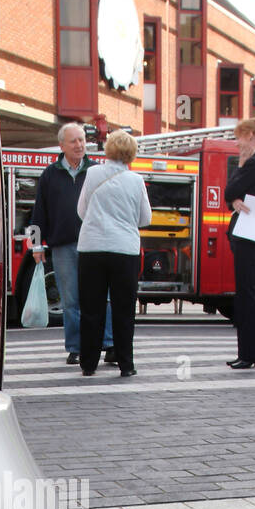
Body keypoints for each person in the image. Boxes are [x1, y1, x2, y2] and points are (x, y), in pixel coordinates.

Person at [30, 123, 115, 365]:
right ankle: (76, 347)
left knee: (101, 296)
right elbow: (39, 213)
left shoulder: (97, 171)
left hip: (96, 244)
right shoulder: (50, 174)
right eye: (73, 141)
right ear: (62, 145)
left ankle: (108, 344)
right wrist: (37, 246)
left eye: (81, 140)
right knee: (70, 300)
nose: (79, 145)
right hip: (63, 246)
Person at [77, 129, 151, 378]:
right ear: (131, 153)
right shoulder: (136, 180)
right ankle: (125, 364)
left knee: (91, 307)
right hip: (124, 250)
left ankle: (88, 363)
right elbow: (145, 218)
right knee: (123, 308)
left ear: (108, 149)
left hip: (92, 247)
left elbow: (81, 210)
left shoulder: (92, 173)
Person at [224, 116, 255, 367]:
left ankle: (249, 354)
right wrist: (233, 201)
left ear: (250, 136)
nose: (237, 142)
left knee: (247, 295)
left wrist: (240, 165)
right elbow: (231, 197)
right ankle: (251, 354)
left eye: (239, 137)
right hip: (251, 233)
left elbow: (229, 191)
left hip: (248, 235)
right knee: (248, 294)